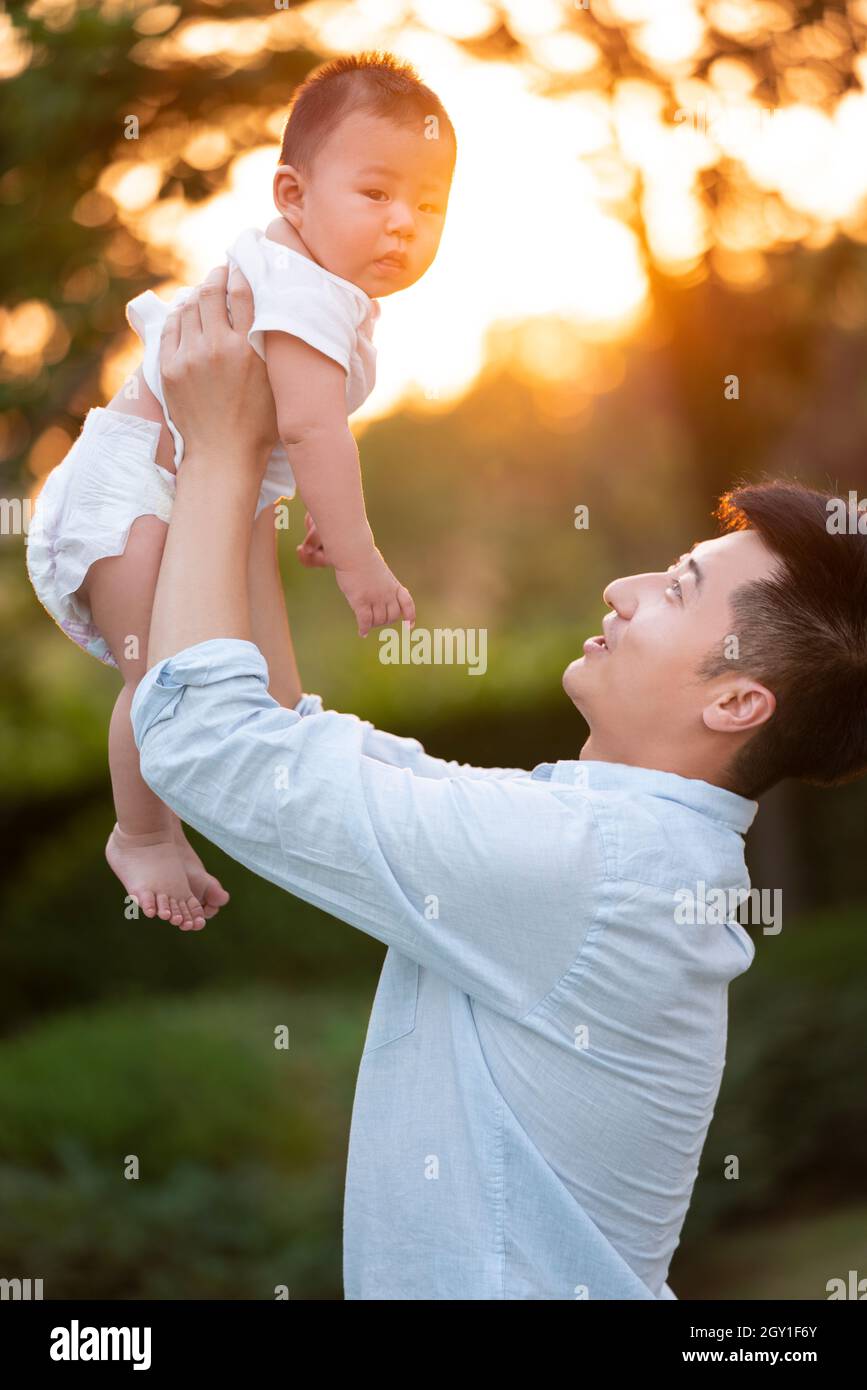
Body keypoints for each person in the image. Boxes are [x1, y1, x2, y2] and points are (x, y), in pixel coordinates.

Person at [130, 264, 867, 1300]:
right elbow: (295, 739)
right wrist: (256, 472)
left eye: (679, 587)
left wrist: (208, 450)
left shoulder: (592, 866)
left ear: (738, 703)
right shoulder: (603, 844)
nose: (625, 586)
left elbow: (205, 739)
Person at [24, 52, 453, 928]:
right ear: (292, 194)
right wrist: (359, 558)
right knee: (170, 677)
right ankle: (140, 834)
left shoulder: (323, 291)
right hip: (133, 490)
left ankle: (190, 824)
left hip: (204, 494)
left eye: (429, 204)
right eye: (375, 194)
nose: (404, 223)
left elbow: (292, 438)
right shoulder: (298, 287)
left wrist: (318, 514)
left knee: (258, 700)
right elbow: (308, 427)